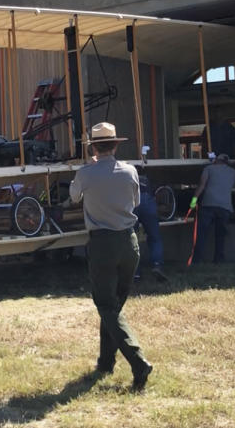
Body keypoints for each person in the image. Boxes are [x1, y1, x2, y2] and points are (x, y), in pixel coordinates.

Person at [69, 122, 154, 392]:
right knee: (113, 308)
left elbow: (73, 197)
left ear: (93, 147)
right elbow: (136, 202)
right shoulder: (130, 171)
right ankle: (106, 363)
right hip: (129, 243)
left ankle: (138, 362)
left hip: (102, 244)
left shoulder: (86, 173)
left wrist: (89, 169)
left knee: (106, 306)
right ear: (116, 144)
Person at [191, 153, 235, 263]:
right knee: (220, 235)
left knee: (201, 234)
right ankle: (219, 260)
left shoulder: (208, 168)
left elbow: (201, 186)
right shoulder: (234, 172)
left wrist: (193, 202)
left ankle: (196, 261)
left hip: (209, 204)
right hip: (225, 207)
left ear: (217, 160)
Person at [131, 171, 166, 282]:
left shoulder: (128, 176)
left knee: (132, 238)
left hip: (133, 202)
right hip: (148, 201)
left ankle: (135, 272)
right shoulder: (146, 179)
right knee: (155, 238)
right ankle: (157, 265)